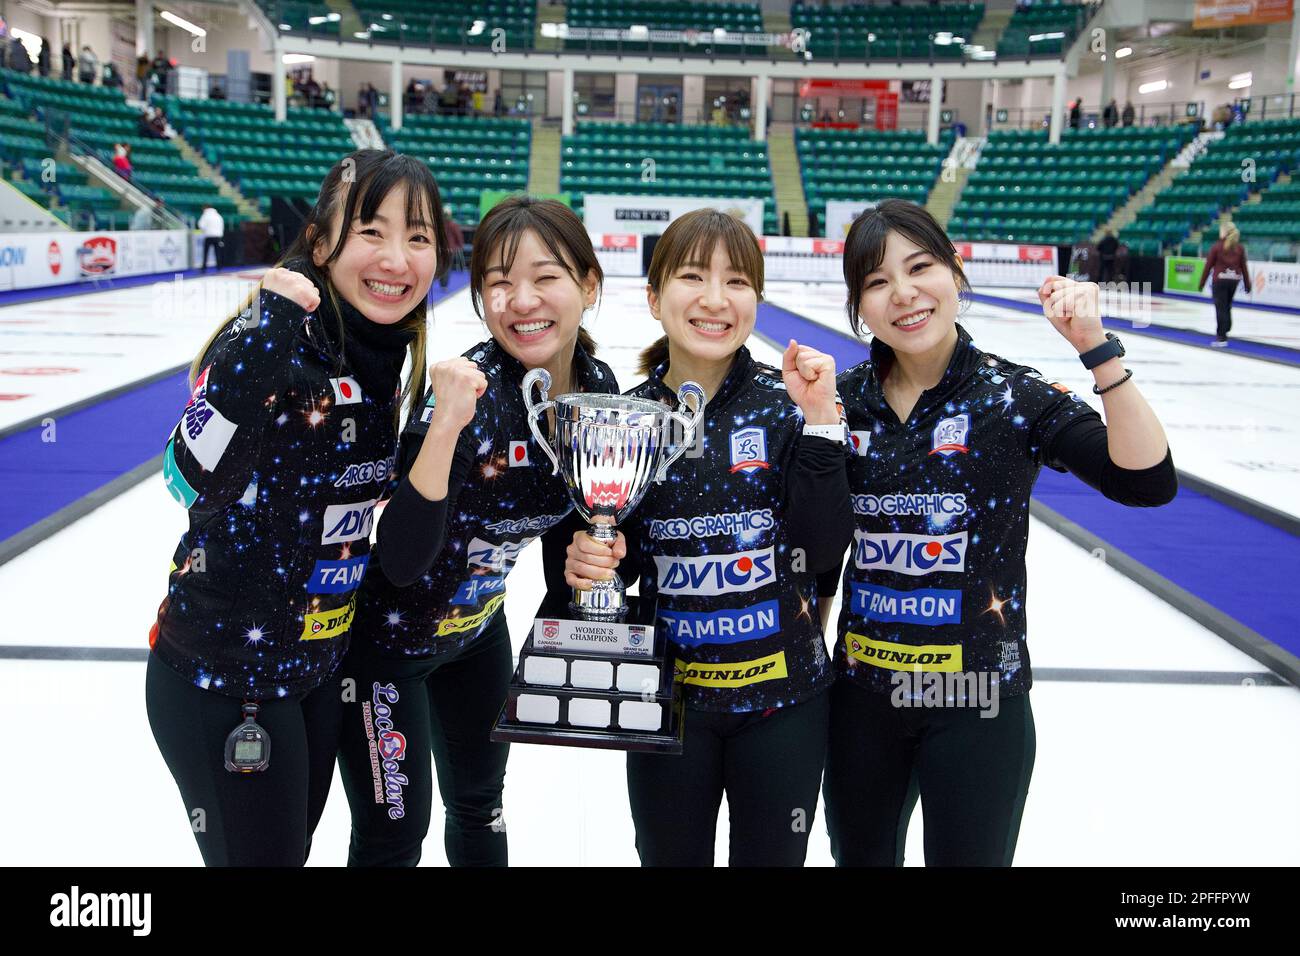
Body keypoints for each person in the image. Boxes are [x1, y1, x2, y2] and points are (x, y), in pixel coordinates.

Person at [822, 199, 1178, 867]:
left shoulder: (1012, 396)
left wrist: (1097, 352)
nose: (902, 293)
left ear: (956, 271)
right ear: (859, 307)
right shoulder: (840, 403)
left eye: (920, 266)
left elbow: (1145, 480)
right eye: (875, 281)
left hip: (977, 698)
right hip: (861, 700)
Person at [146, 149, 449, 866]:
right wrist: (263, 331)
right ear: (319, 244)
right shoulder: (275, 343)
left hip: (310, 676)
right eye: (370, 231)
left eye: (419, 235)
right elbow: (190, 480)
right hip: (224, 680)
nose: (396, 259)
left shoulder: (379, 356)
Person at [335, 197, 619, 867]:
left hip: (475, 635)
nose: (520, 300)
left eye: (545, 277)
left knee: (481, 809)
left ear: (588, 285)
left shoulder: (598, 388)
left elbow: (563, 554)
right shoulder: (466, 393)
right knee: (394, 834)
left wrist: (593, 560)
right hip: (386, 650)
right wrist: (444, 428)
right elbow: (401, 560)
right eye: (497, 280)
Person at [564, 208, 854, 867]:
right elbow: (623, 558)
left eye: (737, 281)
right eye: (693, 276)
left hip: (785, 701)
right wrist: (597, 559)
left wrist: (820, 428)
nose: (716, 299)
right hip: (669, 701)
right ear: (654, 297)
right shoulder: (626, 418)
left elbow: (823, 548)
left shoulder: (789, 404)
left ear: (756, 298)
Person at [1198, 223, 1251, 347]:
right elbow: (1244, 267)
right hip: (1234, 280)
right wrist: (1247, 284)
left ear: (1224, 232)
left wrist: (1201, 283)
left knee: (1220, 307)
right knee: (1227, 306)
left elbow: (1208, 266)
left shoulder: (1217, 247)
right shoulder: (1240, 248)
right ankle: (1226, 327)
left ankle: (1221, 337)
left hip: (1220, 280)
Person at [439, 207, 464, 288]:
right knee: (447, 267)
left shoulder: (440, 225)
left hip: (441, 248)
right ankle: (444, 284)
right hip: (450, 249)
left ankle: (442, 283)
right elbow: (458, 236)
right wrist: (460, 245)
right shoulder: (454, 224)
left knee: (442, 265)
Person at [198, 205, 225, 271]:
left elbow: (201, 225)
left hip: (209, 236)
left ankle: (204, 268)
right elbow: (222, 226)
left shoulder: (205, 215)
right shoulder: (218, 216)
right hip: (218, 236)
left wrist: (206, 230)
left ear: (205, 208)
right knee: (217, 252)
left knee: (206, 253)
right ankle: (219, 267)